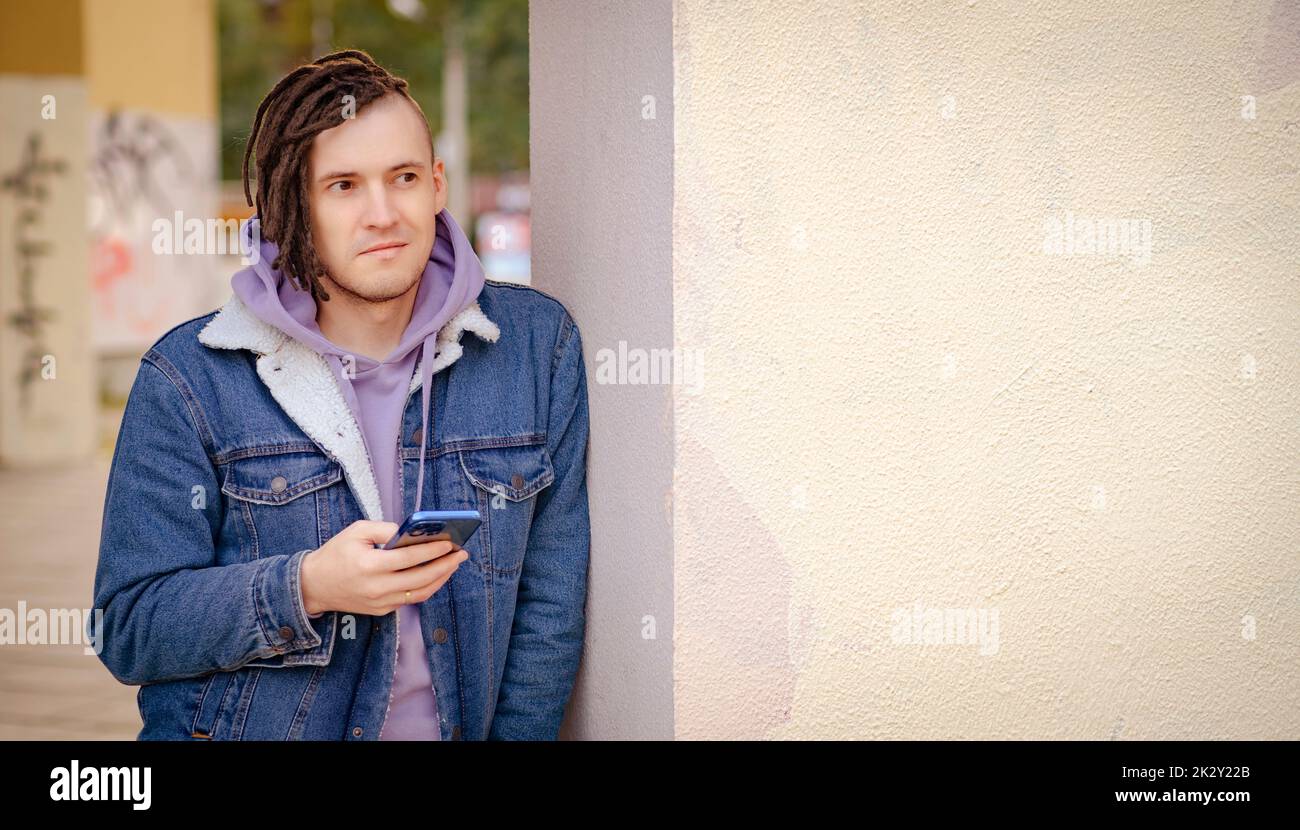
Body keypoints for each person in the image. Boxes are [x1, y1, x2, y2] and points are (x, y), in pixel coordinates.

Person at [91, 50, 591, 741]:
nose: (383, 213)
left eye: (404, 178)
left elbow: (550, 609)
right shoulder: (190, 378)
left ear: (438, 185)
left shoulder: (536, 348)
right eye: (344, 186)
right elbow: (130, 628)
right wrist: (308, 587)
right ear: (292, 202)